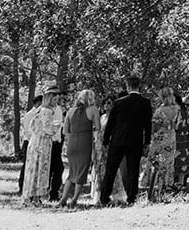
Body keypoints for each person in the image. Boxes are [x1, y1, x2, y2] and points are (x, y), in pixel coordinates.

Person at [99, 76, 153, 205]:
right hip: (135, 140)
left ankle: (104, 197)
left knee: (111, 169)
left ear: (128, 87)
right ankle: (132, 197)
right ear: (139, 86)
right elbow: (148, 124)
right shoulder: (145, 102)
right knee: (133, 170)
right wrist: (147, 142)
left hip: (118, 140)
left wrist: (105, 140)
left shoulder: (119, 102)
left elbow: (111, 123)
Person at [58, 90, 99, 207]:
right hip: (85, 143)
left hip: (72, 143)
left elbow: (65, 130)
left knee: (71, 172)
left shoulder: (70, 111)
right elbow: (98, 127)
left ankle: (63, 199)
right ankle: (74, 199)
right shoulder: (93, 110)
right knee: (81, 172)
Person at [146, 91, 182, 199]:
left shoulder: (160, 110)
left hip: (160, 137)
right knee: (168, 163)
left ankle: (157, 186)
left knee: (154, 159)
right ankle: (165, 186)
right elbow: (177, 126)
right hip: (171, 137)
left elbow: (154, 125)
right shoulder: (177, 109)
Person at [20, 91, 53, 204]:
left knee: (33, 169)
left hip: (34, 142)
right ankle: (34, 197)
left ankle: (31, 196)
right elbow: (47, 130)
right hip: (40, 142)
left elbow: (32, 127)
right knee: (38, 170)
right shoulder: (46, 111)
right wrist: (57, 127)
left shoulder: (39, 111)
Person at [43, 88, 66, 201]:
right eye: (54, 98)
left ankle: (54, 193)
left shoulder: (58, 109)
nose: (57, 100)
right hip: (49, 141)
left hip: (57, 142)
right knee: (51, 168)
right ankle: (47, 192)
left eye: (57, 98)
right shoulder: (46, 110)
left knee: (58, 168)